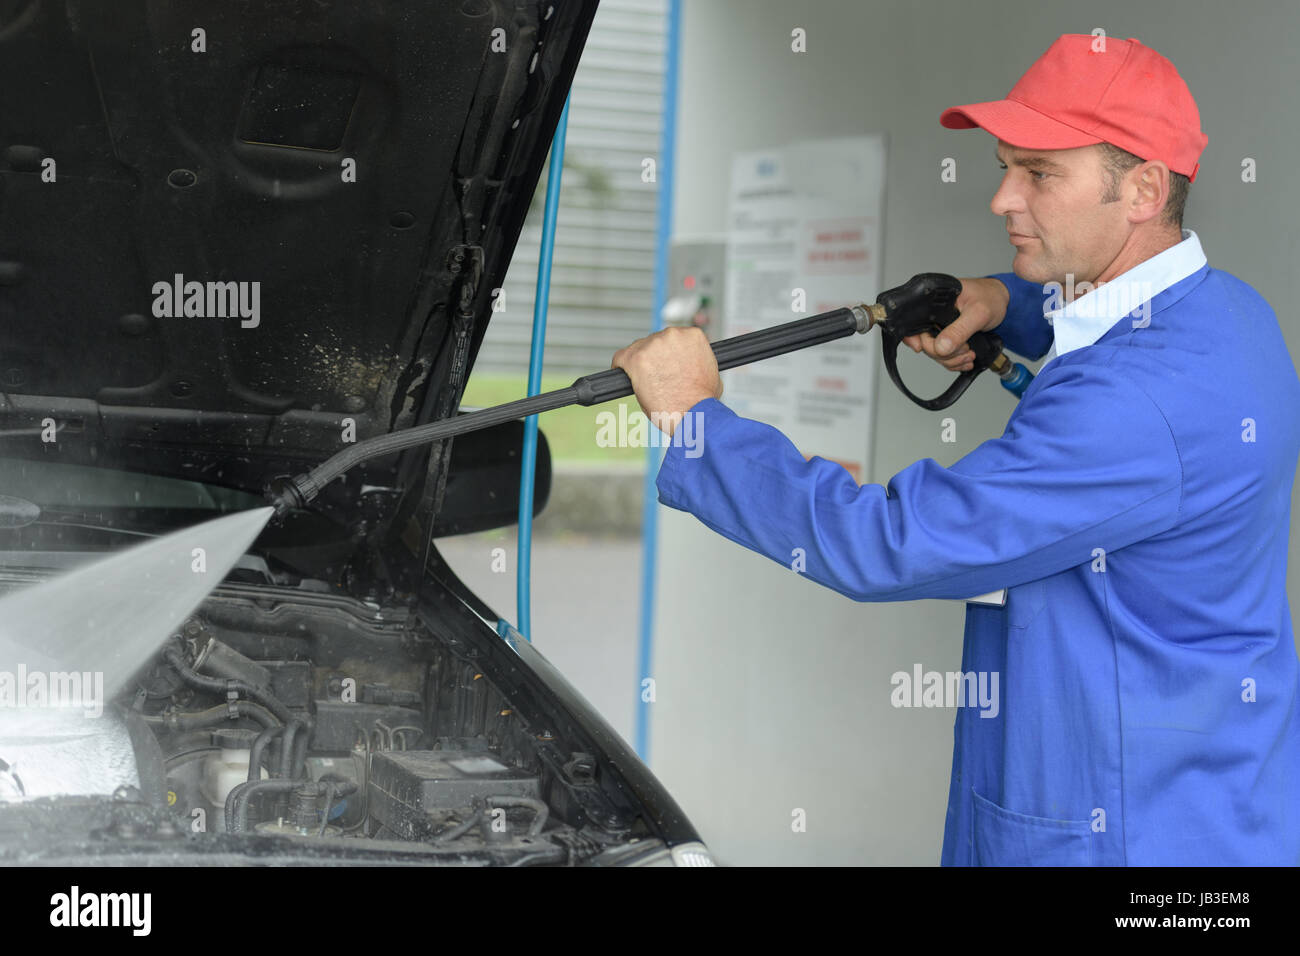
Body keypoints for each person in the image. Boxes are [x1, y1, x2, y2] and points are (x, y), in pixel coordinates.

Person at [612, 34, 1300, 865]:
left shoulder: (1128, 403)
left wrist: (698, 423)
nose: (1003, 199)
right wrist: (1001, 302)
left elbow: (891, 545)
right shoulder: (1231, 314)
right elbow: (1106, 315)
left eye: (1041, 174)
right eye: (1006, 166)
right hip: (1211, 802)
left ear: (1144, 189)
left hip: (1114, 828)